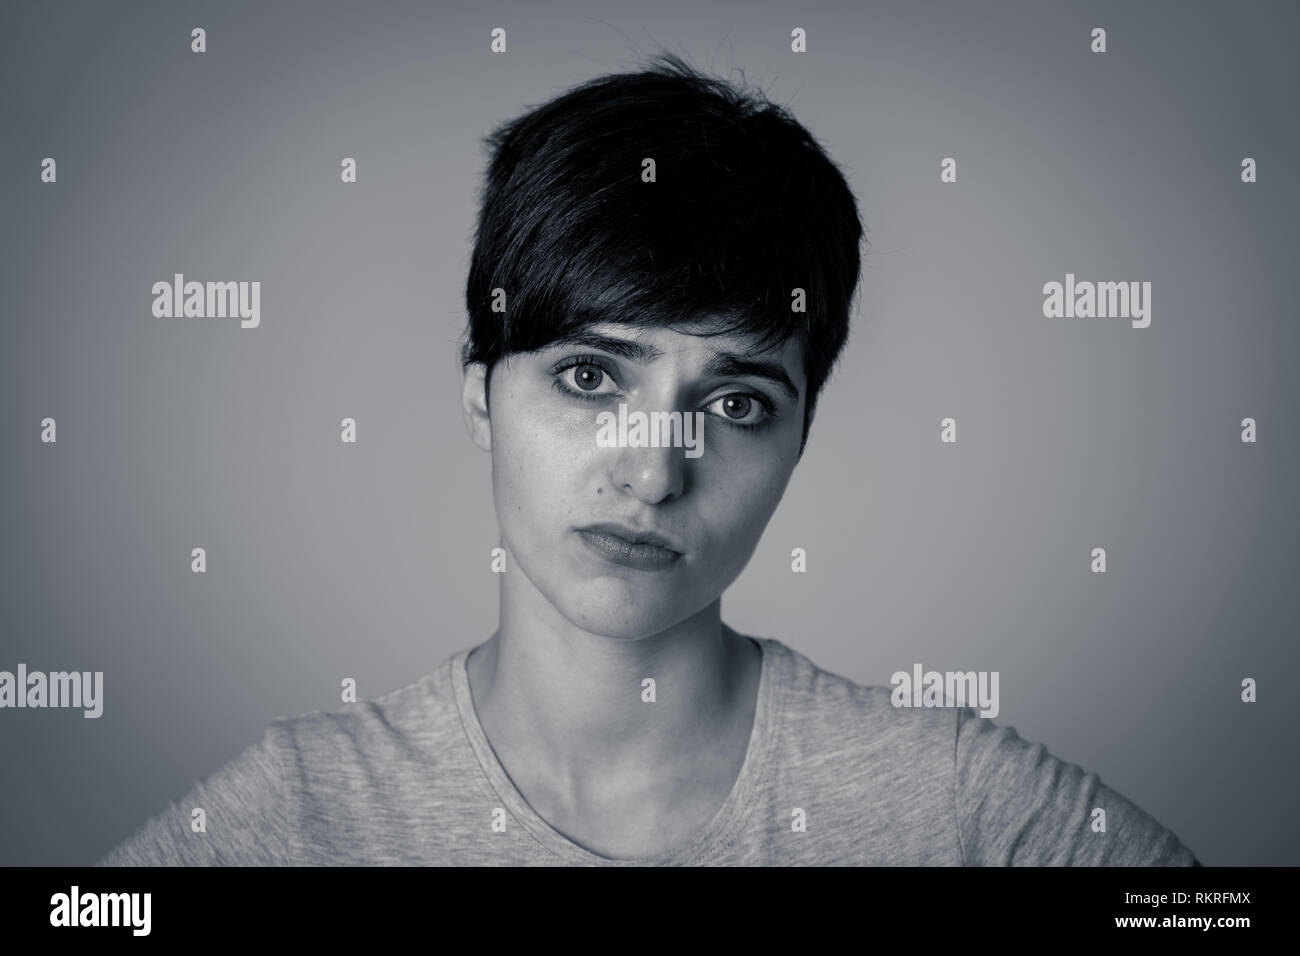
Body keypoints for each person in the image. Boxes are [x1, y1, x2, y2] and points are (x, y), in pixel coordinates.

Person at [97, 52, 1200, 866]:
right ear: (481, 397)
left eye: (734, 400)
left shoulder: (950, 802)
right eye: (590, 378)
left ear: (799, 438)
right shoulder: (301, 810)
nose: (655, 469)